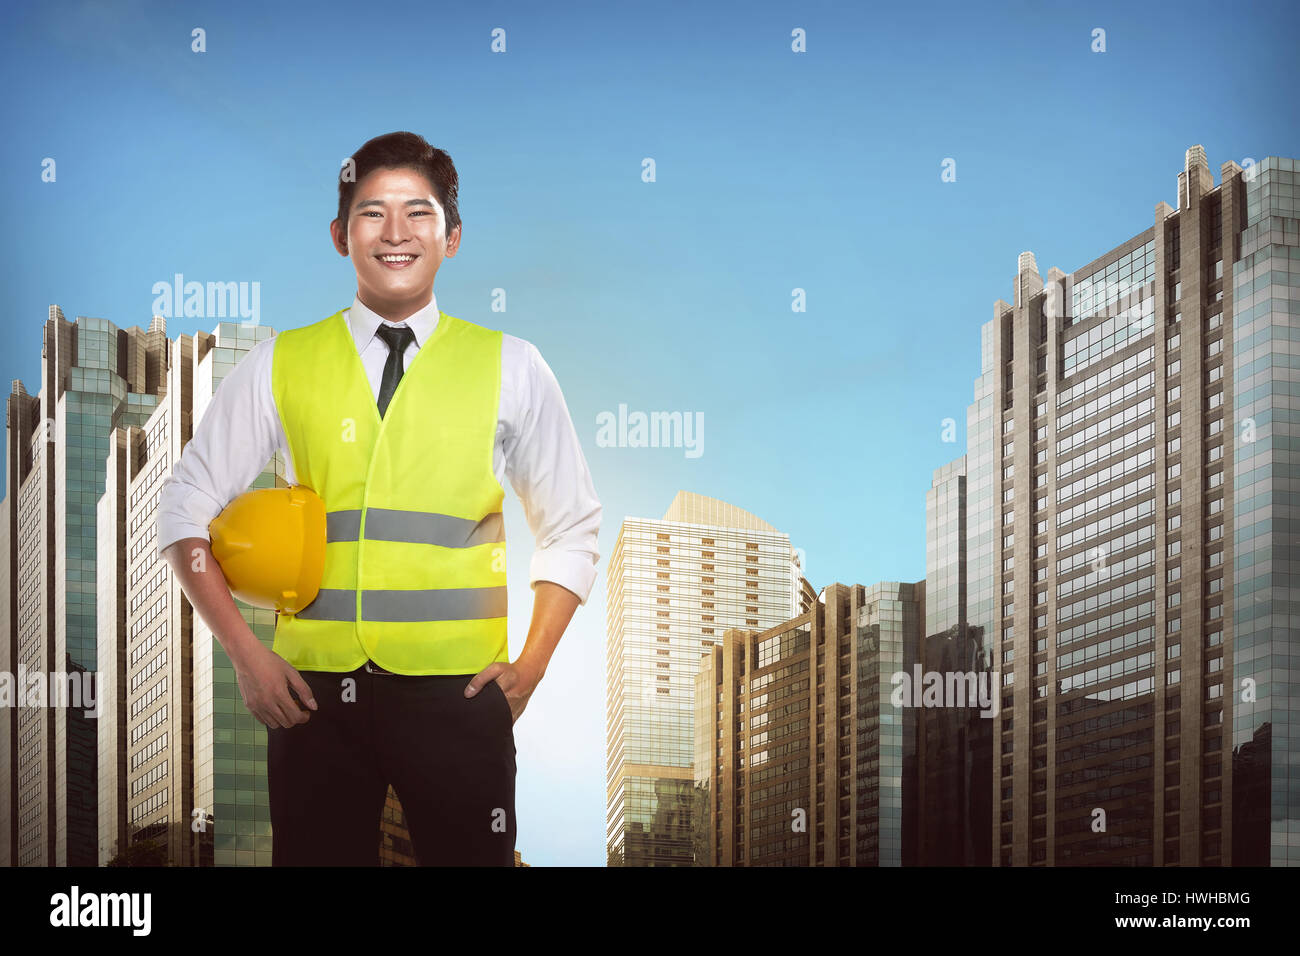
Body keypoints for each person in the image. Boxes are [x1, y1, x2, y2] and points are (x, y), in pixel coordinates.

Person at [156, 131, 601, 865]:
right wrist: (246, 655)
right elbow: (183, 510)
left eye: (418, 213)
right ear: (340, 236)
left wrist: (533, 665)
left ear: (452, 237)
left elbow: (572, 530)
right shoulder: (280, 362)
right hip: (310, 697)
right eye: (372, 213)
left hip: (459, 697)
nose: (396, 233)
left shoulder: (514, 368)